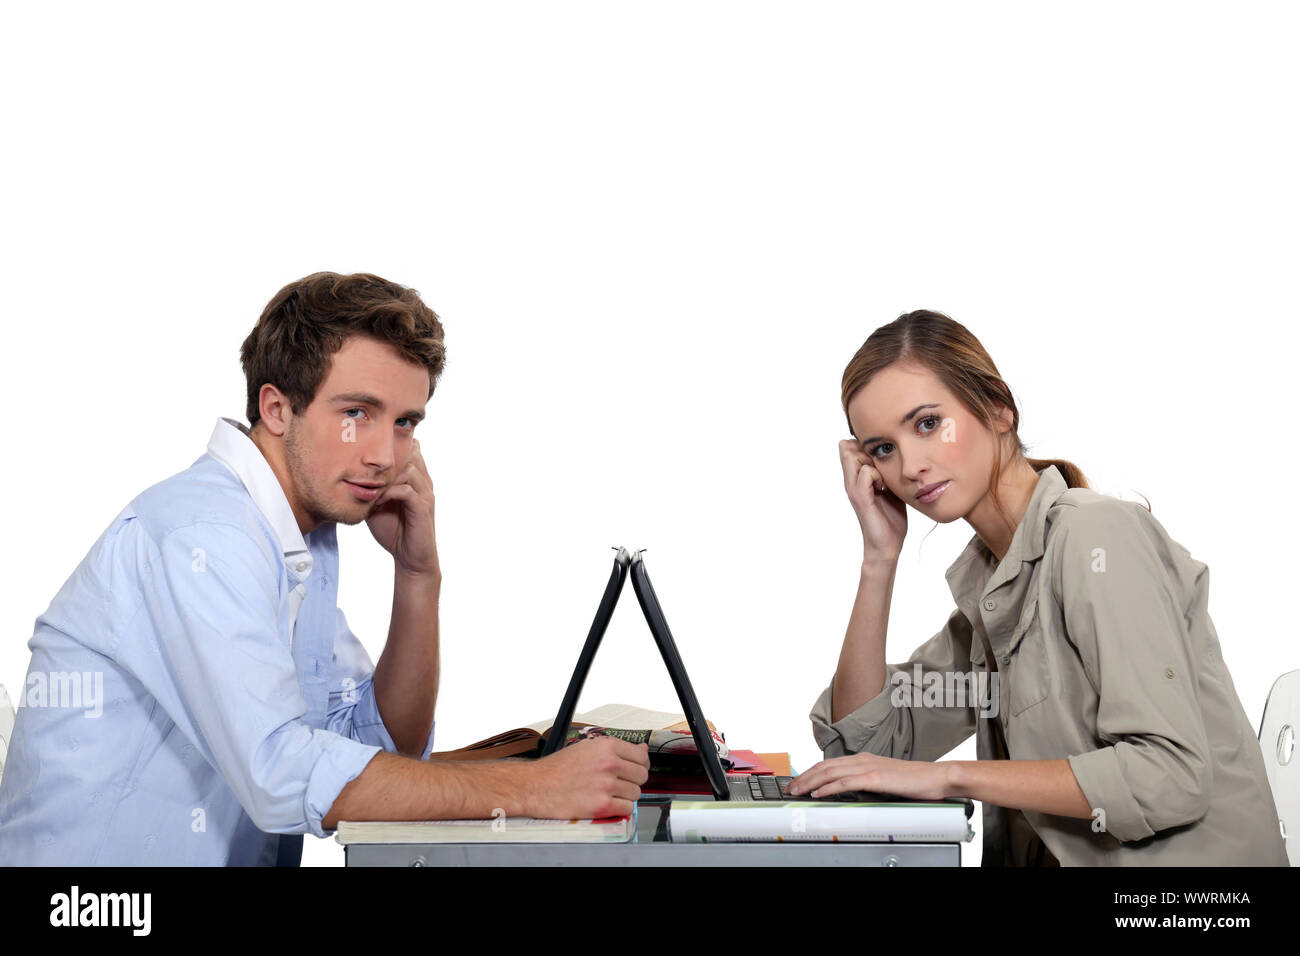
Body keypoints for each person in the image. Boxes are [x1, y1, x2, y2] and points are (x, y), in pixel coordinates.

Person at [0, 272, 649, 865]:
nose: (385, 455)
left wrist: (418, 578)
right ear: (278, 409)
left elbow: (375, 744)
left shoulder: (296, 532)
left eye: (405, 423)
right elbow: (281, 774)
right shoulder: (207, 535)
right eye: (356, 414)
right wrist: (530, 789)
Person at [788, 310, 1288, 866]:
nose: (910, 466)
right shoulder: (994, 595)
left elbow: (1170, 775)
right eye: (882, 448)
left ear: (998, 409)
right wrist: (878, 560)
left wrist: (953, 778)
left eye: (928, 424)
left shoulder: (1096, 539)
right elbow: (865, 751)